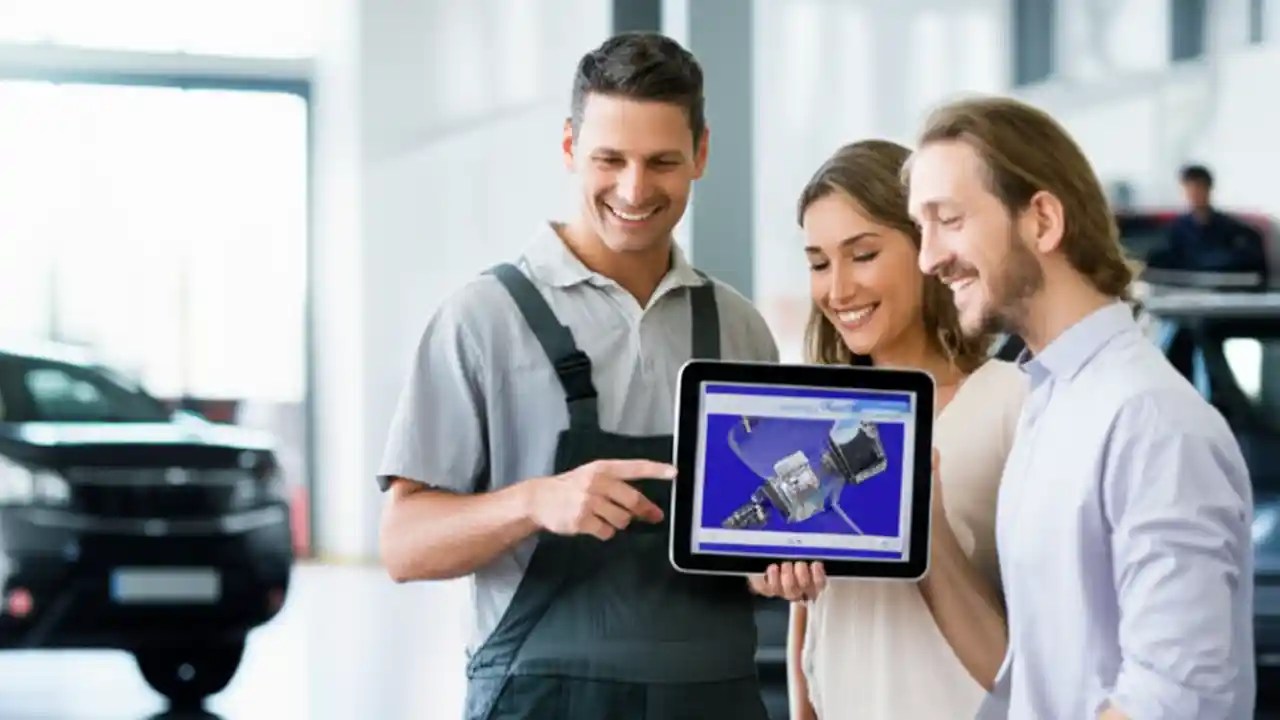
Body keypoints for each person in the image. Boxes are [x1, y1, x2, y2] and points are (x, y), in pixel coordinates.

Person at [376, 32, 784, 720]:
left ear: (702, 154)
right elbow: (402, 546)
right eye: (609, 159)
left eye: (662, 162)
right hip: (541, 702)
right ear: (569, 148)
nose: (633, 188)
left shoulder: (739, 329)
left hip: (714, 699)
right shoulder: (483, 319)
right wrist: (534, 502)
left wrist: (779, 563)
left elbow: (764, 530)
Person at [905, 96, 1255, 719]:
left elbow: (1171, 700)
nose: (928, 258)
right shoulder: (1051, 401)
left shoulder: (1150, 420)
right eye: (920, 227)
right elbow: (1035, 681)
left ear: (1041, 219)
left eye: (948, 219)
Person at [779, 139, 1027, 720]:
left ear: (926, 248)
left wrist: (928, 530)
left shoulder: (1012, 405)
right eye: (818, 263)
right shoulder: (817, 412)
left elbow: (1030, 675)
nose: (837, 291)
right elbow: (809, 634)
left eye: (862, 255)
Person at [1153, 164, 1267, 279]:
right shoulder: (1175, 231)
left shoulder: (1231, 229)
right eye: (1190, 188)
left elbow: (1247, 265)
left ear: (1209, 188)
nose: (1195, 194)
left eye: (1199, 187)